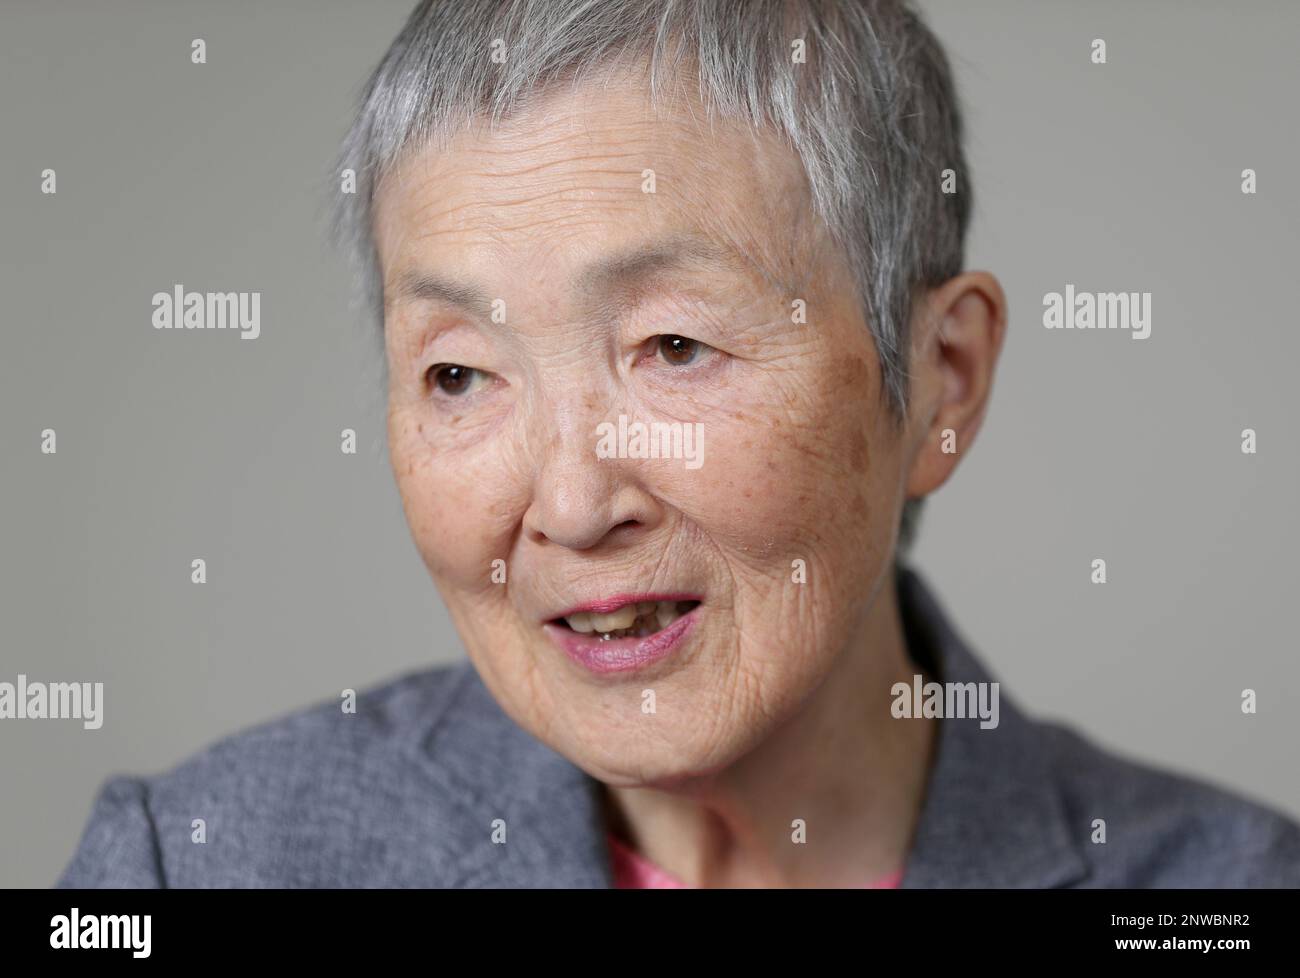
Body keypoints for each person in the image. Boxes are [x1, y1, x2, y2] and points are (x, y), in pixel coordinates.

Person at [58, 0, 1300, 888]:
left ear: (941, 379)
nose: (571, 502)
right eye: (459, 373)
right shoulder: (201, 863)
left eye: (673, 346)